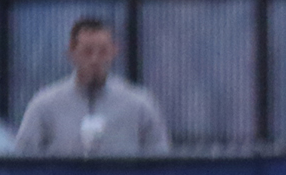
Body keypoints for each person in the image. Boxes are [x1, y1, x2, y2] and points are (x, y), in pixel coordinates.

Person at [15, 17, 170, 156]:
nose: (95, 60)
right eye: (87, 52)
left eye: (103, 52)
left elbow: (160, 162)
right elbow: (22, 164)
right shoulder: (44, 106)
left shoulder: (139, 104)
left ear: (114, 52)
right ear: (71, 53)